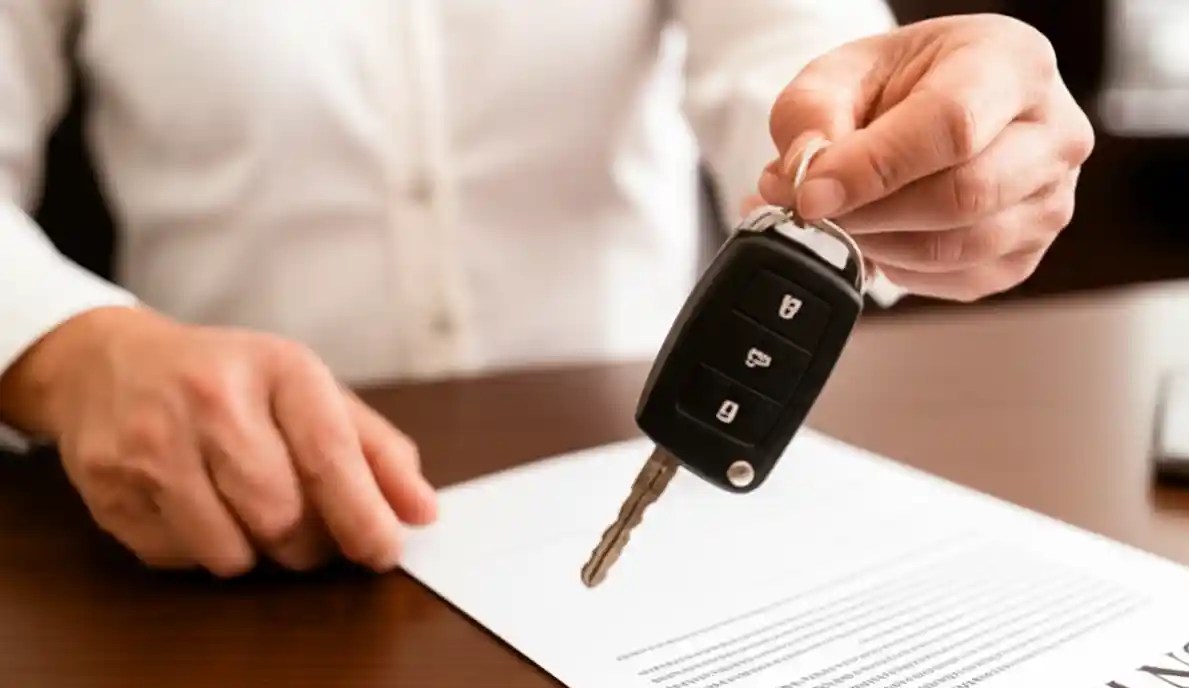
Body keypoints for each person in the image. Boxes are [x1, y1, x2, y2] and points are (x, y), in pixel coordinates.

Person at [0, 4, 1094, 578]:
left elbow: (808, 70)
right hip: (219, 516)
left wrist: (927, 146)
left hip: (645, 502)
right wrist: (68, 348)